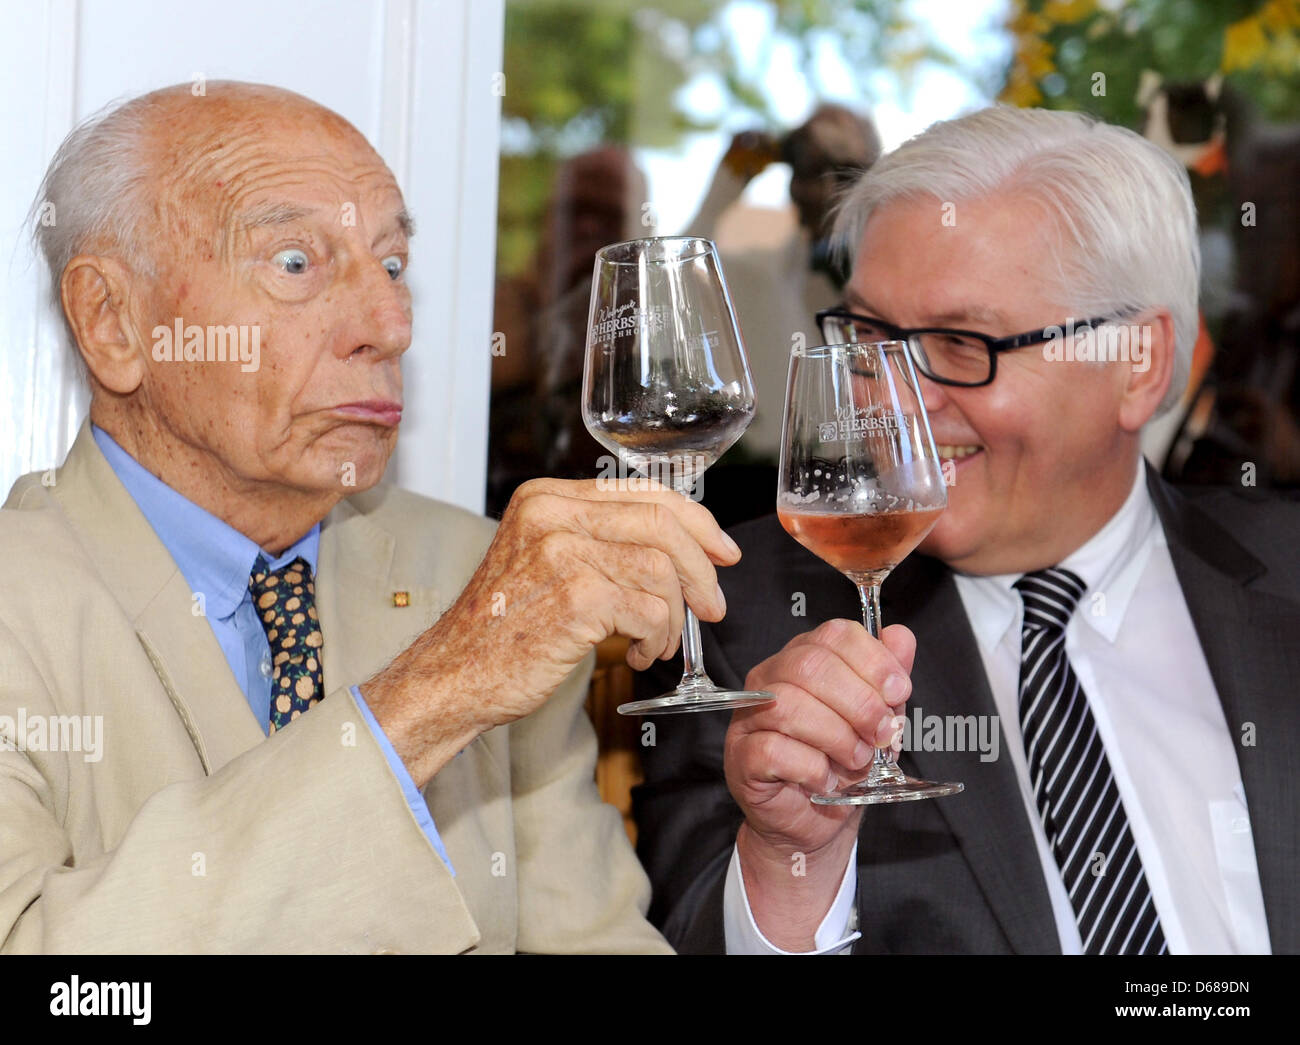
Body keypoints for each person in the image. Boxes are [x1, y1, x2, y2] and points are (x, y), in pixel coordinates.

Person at [0, 81, 742, 953]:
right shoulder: (23, 600)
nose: (390, 325)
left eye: (392, 266)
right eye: (295, 264)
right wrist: (435, 692)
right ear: (114, 321)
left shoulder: (475, 569)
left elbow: (593, 940)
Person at [634, 106, 1299, 955]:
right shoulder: (749, 616)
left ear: (1139, 363)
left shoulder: (1287, 579)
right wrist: (787, 860)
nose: (895, 401)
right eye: (872, 337)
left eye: (959, 344)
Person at [683, 104, 882, 466]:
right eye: (801, 173)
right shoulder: (770, 272)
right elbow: (676, 283)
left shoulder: (890, 272)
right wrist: (725, 186)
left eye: (840, 174)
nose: (813, 191)